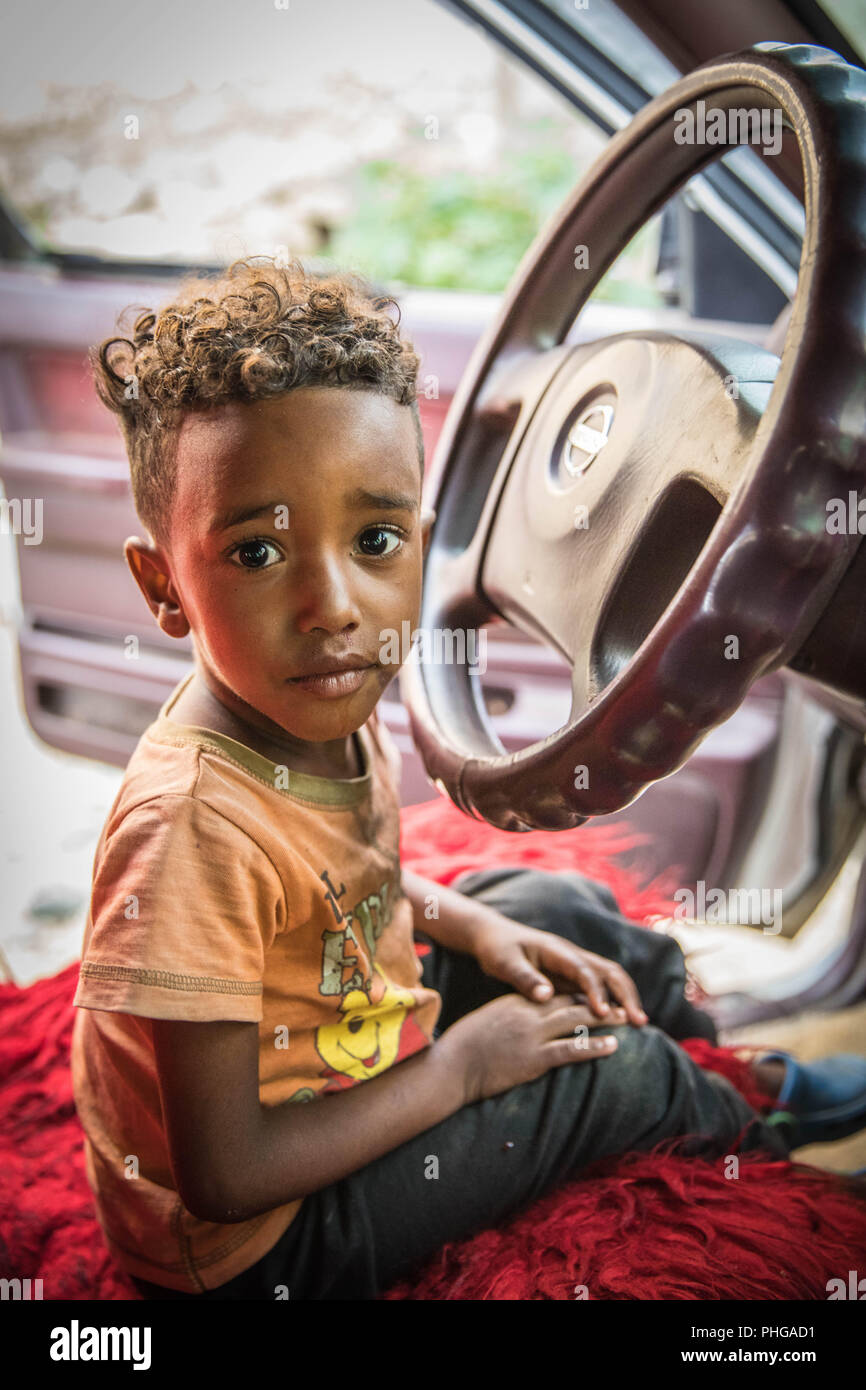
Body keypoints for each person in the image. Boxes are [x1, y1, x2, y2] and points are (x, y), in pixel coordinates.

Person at [71, 256, 866, 1301]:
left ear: (422, 540)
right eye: (258, 553)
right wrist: (461, 1070)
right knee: (607, 1080)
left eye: (374, 539)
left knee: (556, 906)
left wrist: (467, 927)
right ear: (163, 584)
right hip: (266, 1242)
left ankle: (713, 1063)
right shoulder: (188, 828)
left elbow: (325, 889)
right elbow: (224, 1174)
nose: (333, 603)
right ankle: (736, 1131)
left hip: (343, 1043)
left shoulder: (307, 707)